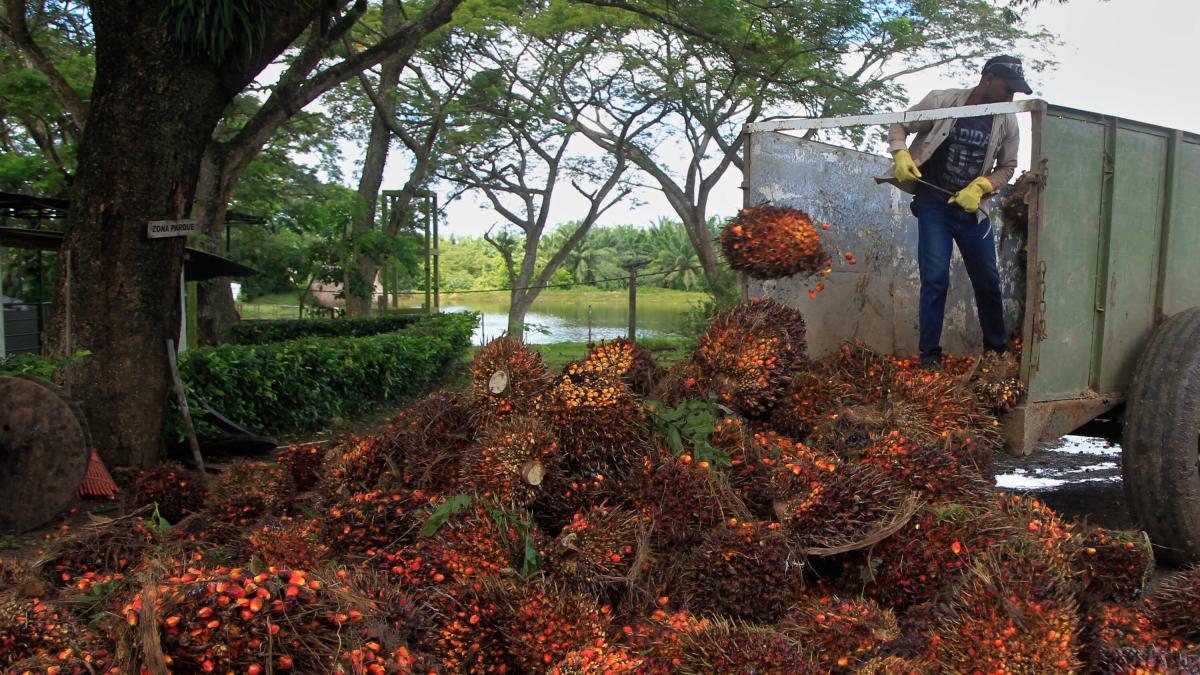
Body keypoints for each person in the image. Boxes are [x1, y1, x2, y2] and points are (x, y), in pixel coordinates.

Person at [877, 55, 1033, 369]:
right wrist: (900, 153)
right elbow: (901, 124)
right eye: (1007, 88)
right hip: (933, 205)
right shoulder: (942, 101)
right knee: (935, 279)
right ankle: (929, 359)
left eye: (1015, 92)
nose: (1011, 97)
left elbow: (1008, 166)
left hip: (972, 211)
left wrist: (982, 186)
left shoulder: (1006, 119)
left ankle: (996, 354)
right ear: (988, 79)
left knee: (988, 280)